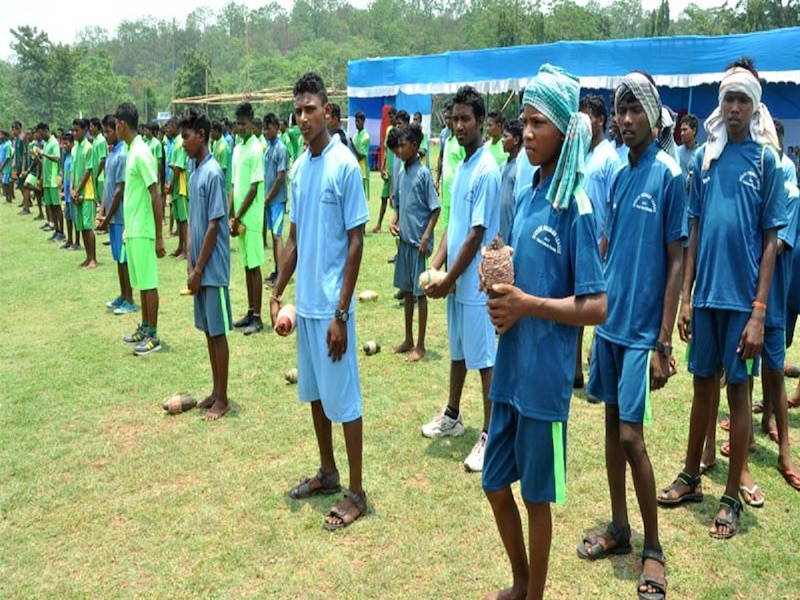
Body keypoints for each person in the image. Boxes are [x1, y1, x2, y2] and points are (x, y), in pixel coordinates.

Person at [480, 64, 607, 600]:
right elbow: (523, 270)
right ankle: (520, 580)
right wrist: (499, 274)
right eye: (525, 122)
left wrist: (528, 305)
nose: (527, 133)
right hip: (510, 371)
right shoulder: (530, 192)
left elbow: (597, 305)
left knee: (536, 497)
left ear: (563, 129)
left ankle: (533, 594)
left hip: (544, 381)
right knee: (494, 484)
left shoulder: (576, 204)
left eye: (538, 124)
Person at [658, 58, 786, 540]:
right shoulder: (705, 161)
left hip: (742, 304)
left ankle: (731, 496)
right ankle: (692, 475)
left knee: (738, 392)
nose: (734, 108)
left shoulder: (766, 162)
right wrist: (686, 298)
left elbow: (771, 241)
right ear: (721, 104)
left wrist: (759, 312)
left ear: (754, 108)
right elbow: (692, 231)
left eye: (742, 101)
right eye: (728, 99)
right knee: (701, 386)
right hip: (707, 297)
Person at [579, 72, 686, 600]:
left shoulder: (670, 176)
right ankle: (619, 528)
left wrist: (664, 340)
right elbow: (608, 245)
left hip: (643, 333)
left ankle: (654, 549)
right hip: (611, 325)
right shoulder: (620, 174)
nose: (625, 119)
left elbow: (675, 261)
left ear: (653, 114)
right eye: (620, 110)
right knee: (609, 428)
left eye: (634, 109)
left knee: (630, 436)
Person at [270, 72, 369, 530]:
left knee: (344, 400)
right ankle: (328, 472)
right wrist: (277, 292)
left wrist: (341, 314)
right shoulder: (298, 169)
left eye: (310, 109)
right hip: (305, 306)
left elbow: (356, 242)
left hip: (332, 309)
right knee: (314, 395)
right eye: (297, 111)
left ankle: (357, 492)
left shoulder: (344, 165)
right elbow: (294, 240)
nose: (303, 118)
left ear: (327, 111)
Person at [422, 84, 500, 473]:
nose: (458, 126)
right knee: (458, 352)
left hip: (478, 283)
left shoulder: (487, 168)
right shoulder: (463, 165)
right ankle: (453, 415)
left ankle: (491, 436)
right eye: (454, 119)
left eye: (466, 119)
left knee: (484, 360)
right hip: (456, 282)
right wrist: (437, 266)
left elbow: (476, 234)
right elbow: (454, 226)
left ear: (481, 121)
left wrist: (450, 278)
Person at [181, 108, 232, 422]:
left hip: (212, 269)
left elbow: (214, 225)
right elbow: (193, 222)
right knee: (207, 331)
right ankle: (215, 389)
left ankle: (223, 398)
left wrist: (199, 269)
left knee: (218, 332)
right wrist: (190, 264)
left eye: (186, 136)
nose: (182, 142)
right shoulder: (194, 171)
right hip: (198, 268)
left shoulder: (213, 172)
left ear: (201, 135)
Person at [116, 102, 166, 356]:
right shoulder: (131, 150)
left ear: (122, 124)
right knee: (141, 283)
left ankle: (153, 336)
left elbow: (154, 193)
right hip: (134, 228)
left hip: (145, 229)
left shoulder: (141, 152)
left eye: (116, 124)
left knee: (148, 283)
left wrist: (159, 236)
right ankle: (145, 327)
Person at [389, 123, 440, 362]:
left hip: (419, 244)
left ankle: (420, 345)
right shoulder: (402, 173)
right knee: (407, 292)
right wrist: (394, 220)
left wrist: (427, 236)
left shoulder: (423, 174)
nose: (399, 150)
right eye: (398, 146)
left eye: (403, 145)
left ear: (415, 146)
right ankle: (408, 338)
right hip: (405, 242)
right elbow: (399, 205)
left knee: (420, 294)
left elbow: (435, 209)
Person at [230, 101, 266, 336]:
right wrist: (230, 216)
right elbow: (234, 185)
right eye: (238, 123)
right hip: (239, 219)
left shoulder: (256, 149)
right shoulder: (237, 149)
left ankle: (258, 317)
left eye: (243, 124)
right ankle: (250, 311)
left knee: (254, 267)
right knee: (246, 265)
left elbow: (253, 188)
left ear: (252, 124)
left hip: (251, 218)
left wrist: (239, 215)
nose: (240, 127)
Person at [96, 114, 135, 316]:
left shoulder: (123, 155)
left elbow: (119, 190)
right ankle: (122, 294)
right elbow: (108, 186)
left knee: (124, 259)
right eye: (104, 132)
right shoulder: (111, 153)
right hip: (112, 216)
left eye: (108, 131)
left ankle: (130, 299)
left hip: (120, 216)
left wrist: (109, 215)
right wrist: (102, 211)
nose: (106, 135)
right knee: (118, 259)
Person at [262, 112, 289, 287]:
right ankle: (277, 269)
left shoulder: (281, 148)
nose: (265, 132)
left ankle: (282, 274)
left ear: (277, 128)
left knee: (278, 236)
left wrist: (269, 196)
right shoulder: (268, 148)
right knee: (273, 236)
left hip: (277, 200)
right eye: (264, 129)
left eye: (268, 128)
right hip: (269, 200)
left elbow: (280, 177)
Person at [71, 118, 98, 269]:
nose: (74, 133)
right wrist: (71, 190)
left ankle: (93, 258)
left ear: (84, 130)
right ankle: (87, 257)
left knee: (88, 227)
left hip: (87, 193)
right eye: (73, 130)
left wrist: (78, 190)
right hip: (76, 193)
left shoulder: (89, 148)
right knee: (81, 226)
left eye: (77, 130)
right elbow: (73, 171)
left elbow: (88, 171)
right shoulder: (75, 148)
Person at [437, 100, 465, 232]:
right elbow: (441, 159)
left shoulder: (461, 143)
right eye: (446, 118)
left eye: (450, 118)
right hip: (446, 192)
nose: (448, 121)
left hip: (457, 191)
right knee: (446, 227)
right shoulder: (447, 140)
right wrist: (438, 180)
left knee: (456, 227)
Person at [36, 123, 65, 243]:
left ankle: (61, 232)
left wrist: (43, 153)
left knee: (57, 207)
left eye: (41, 133)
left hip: (53, 180)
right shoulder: (46, 143)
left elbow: (57, 158)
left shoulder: (54, 143)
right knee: (51, 206)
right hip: (47, 181)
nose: (40, 136)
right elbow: (45, 162)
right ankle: (56, 230)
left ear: (46, 130)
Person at [166, 120, 189, 259]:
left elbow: (178, 167)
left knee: (184, 219)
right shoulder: (174, 143)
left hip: (181, 186)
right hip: (174, 186)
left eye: (169, 127)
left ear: (175, 127)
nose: (167, 130)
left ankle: (186, 250)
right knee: (179, 219)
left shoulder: (181, 142)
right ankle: (180, 247)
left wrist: (171, 184)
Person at [374, 106, 397, 233]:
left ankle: (396, 223)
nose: (390, 120)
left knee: (396, 199)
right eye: (389, 117)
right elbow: (386, 149)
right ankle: (379, 224)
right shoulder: (389, 130)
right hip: (388, 170)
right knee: (384, 197)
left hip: (396, 170)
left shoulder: (399, 132)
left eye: (392, 117)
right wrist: (382, 166)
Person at [498, 119, 522, 242]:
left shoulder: (520, 167)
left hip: (511, 230)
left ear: (516, 140)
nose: (502, 140)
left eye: (506, 136)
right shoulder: (502, 166)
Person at [60, 132, 79, 250]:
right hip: (66, 192)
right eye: (63, 143)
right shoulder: (66, 156)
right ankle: (69, 240)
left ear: (72, 143)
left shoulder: (74, 156)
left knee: (74, 217)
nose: (64, 146)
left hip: (72, 191)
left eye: (66, 143)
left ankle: (77, 241)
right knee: (67, 217)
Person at [350, 110, 371, 201]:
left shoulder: (366, 137)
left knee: (361, 199)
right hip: (355, 170)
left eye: (358, 121)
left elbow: (361, 155)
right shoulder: (355, 136)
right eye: (355, 121)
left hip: (363, 173)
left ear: (363, 122)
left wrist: (352, 144)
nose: (356, 123)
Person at [211, 120, 232, 199]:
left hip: (223, 186)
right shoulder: (215, 143)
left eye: (211, 131)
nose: (210, 134)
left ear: (216, 131)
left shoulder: (223, 147)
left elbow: (223, 170)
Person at [677, 113, 699, 188]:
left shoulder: (700, 154)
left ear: (694, 131)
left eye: (685, 130)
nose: (682, 133)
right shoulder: (676, 151)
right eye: (681, 130)